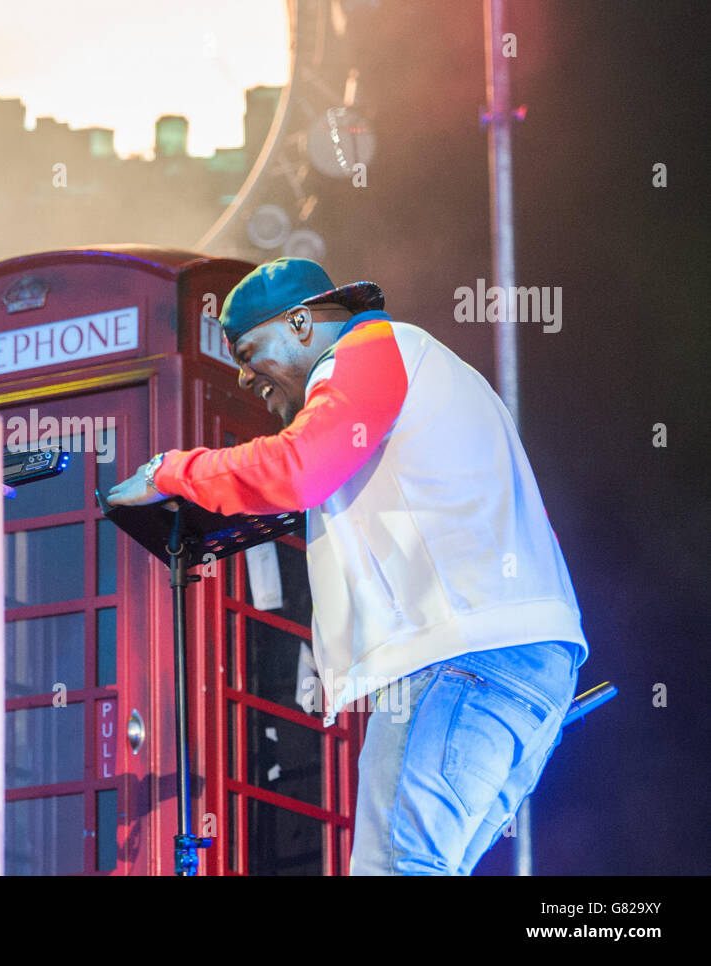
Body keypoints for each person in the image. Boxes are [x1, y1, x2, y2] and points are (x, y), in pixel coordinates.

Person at [105, 257, 588, 875]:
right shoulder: (432, 371)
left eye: (250, 352)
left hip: (460, 659)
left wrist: (167, 471)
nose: (248, 380)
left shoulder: (371, 348)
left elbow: (299, 468)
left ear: (302, 323)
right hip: (525, 661)